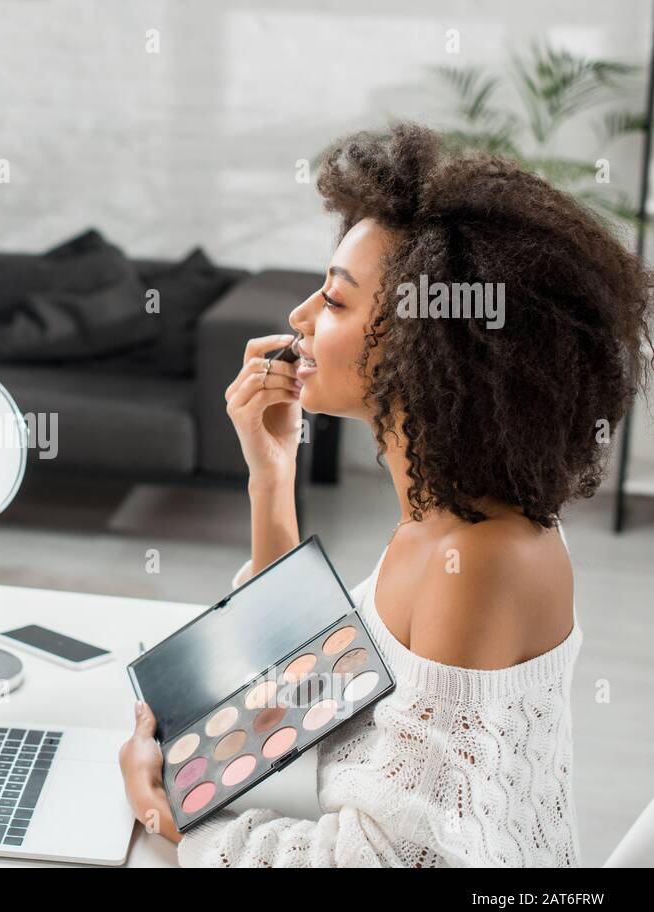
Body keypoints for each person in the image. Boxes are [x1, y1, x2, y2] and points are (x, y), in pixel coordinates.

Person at [119, 122, 652, 866]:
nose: (300, 319)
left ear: (426, 340)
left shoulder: (479, 557)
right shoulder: (444, 514)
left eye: (335, 303)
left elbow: (385, 863)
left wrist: (168, 812)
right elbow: (314, 693)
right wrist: (272, 478)